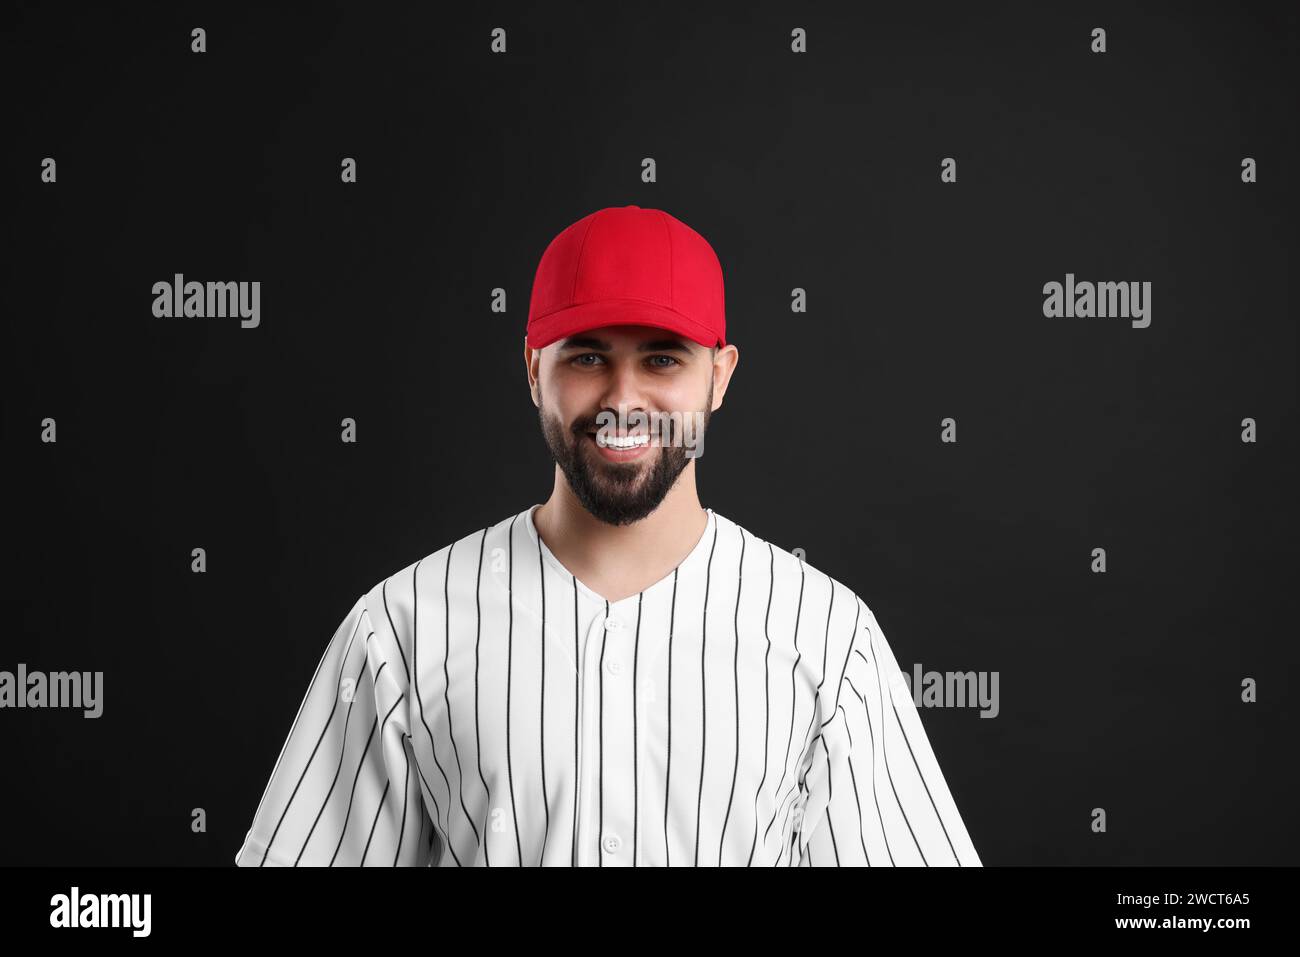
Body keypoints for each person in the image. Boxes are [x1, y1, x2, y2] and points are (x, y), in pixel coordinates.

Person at [234, 205, 982, 867]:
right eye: (587, 356)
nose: (624, 399)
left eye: (663, 357)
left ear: (719, 375)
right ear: (534, 369)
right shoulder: (401, 627)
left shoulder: (825, 636)